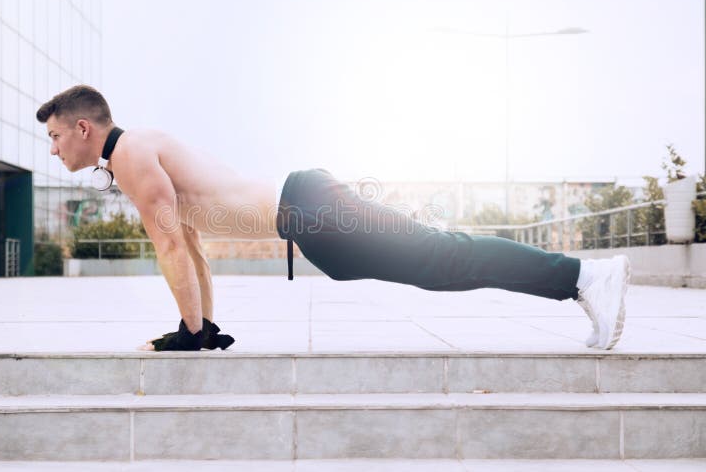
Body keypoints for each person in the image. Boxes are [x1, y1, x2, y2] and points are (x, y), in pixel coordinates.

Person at [37, 85, 630, 351]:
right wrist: (203, 328)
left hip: (311, 210)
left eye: (57, 137)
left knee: (446, 254)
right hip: (310, 222)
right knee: (441, 264)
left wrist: (190, 333)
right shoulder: (138, 153)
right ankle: (578, 279)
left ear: (83, 127)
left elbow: (170, 250)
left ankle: (583, 276)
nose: (56, 149)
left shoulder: (135, 155)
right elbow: (190, 248)